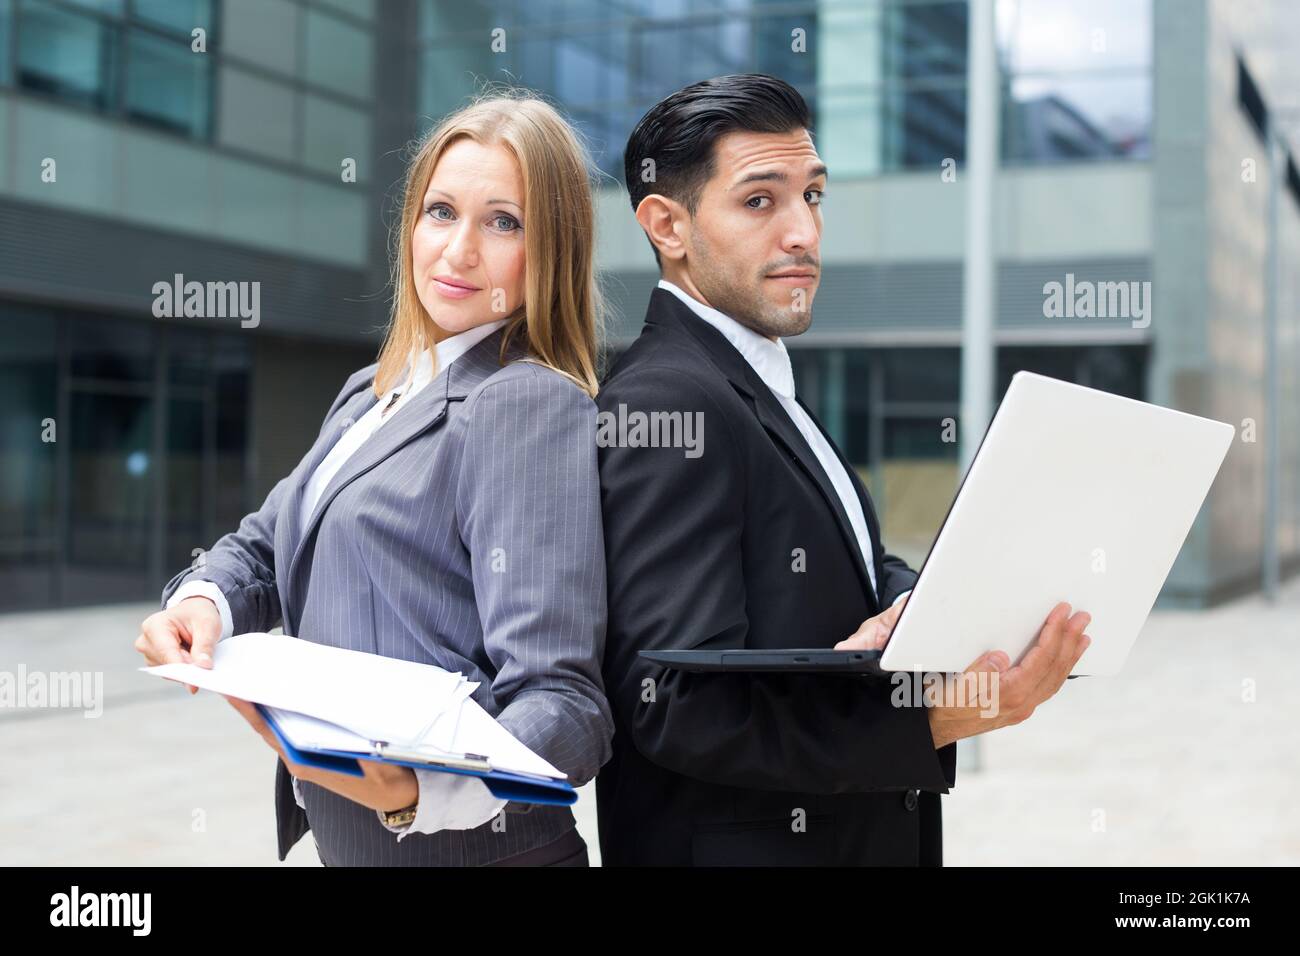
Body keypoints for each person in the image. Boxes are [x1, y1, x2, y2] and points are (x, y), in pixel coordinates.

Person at [595, 73, 1091, 866]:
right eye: (761, 201)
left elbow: (853, 572)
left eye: (814, 196)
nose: (804, 233)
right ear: (668, 224)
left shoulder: (757, 381)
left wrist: (933, 611)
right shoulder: (668, 404)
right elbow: (673, 706)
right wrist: (929, 719)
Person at [134, 91, 613, 866]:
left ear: (552, 247)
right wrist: (201, 602)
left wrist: (428, 791)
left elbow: (564, 703)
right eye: (441, 212)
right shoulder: (374, 387)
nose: (458, 251)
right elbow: (264, 545)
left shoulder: (525, 401)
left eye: (503, 222)